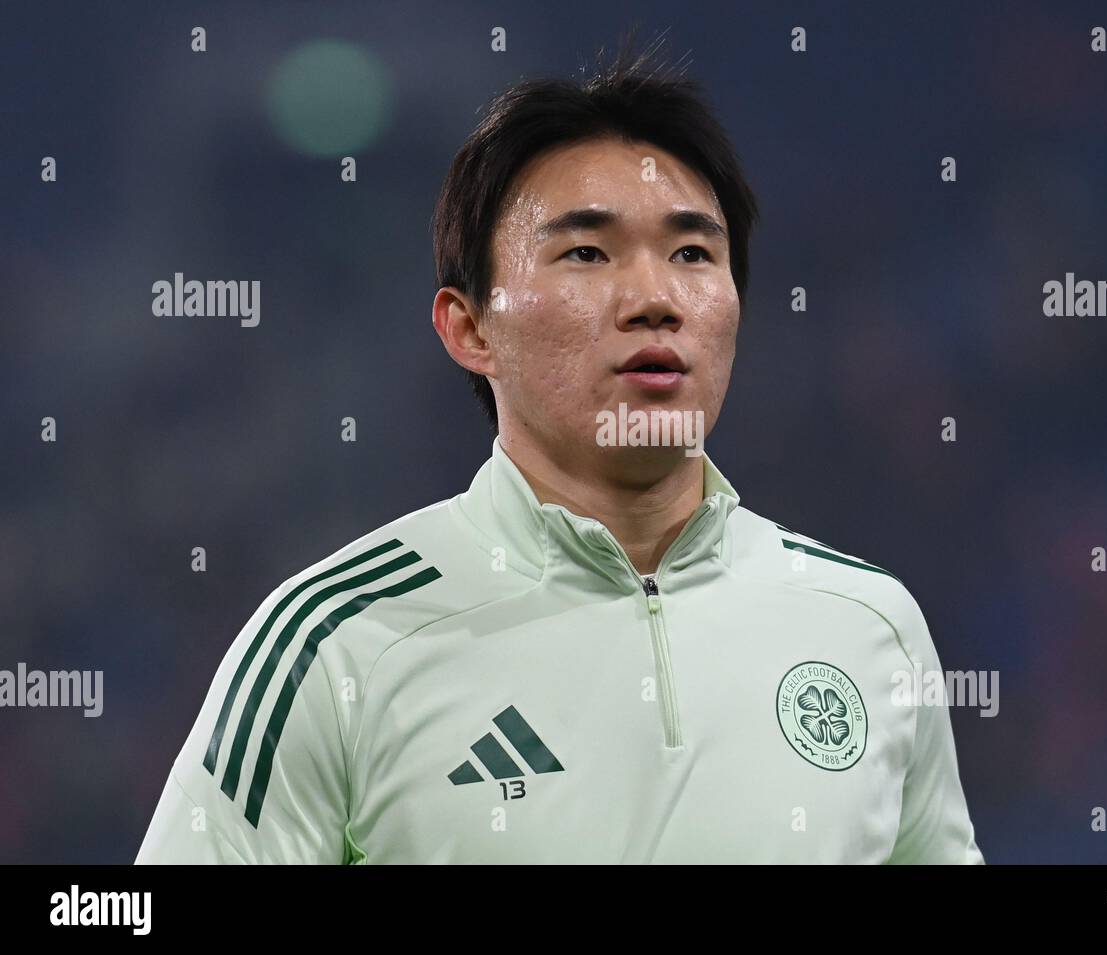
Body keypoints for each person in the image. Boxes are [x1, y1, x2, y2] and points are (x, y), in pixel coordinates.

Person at [136, 40, 984, 864]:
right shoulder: (333, 647)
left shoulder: (872, 625)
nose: (654, 297)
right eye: (586, 251)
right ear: (470, 328)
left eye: (693, 252)